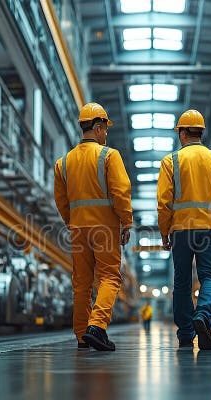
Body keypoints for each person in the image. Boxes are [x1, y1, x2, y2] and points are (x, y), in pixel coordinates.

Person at [54, 102, 132, 351]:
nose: (106, 134)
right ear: (98, 128)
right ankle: (96, 327)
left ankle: (81, 335)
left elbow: (61, 199)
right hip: (105, 227)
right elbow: (120, 192)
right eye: (105, 129)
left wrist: (71, 221)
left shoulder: (63, 163)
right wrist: (126, 221)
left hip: (78, 229)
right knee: (110, 277)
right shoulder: (109, 156)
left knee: (82, 283)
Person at [156, 109, 211, 350]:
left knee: (182, 282)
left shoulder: (171, 161)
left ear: (181, 133)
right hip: (209, 227)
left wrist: (164, 231)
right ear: (201, 132)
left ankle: (186, 334)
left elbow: (164, 202)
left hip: (180, 230)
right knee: (210, 277)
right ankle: (203, 316)